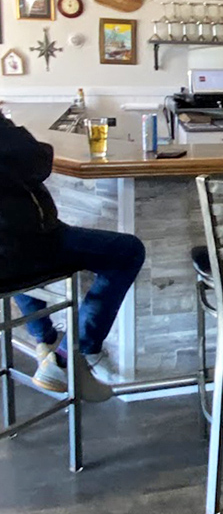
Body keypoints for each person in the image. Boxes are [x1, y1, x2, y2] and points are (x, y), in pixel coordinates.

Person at [0, 110, 145, 401]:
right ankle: (71, 358)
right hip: (21, 248)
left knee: (18, 253)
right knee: (127, 251)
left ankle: (46, 342)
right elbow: (37, 158)